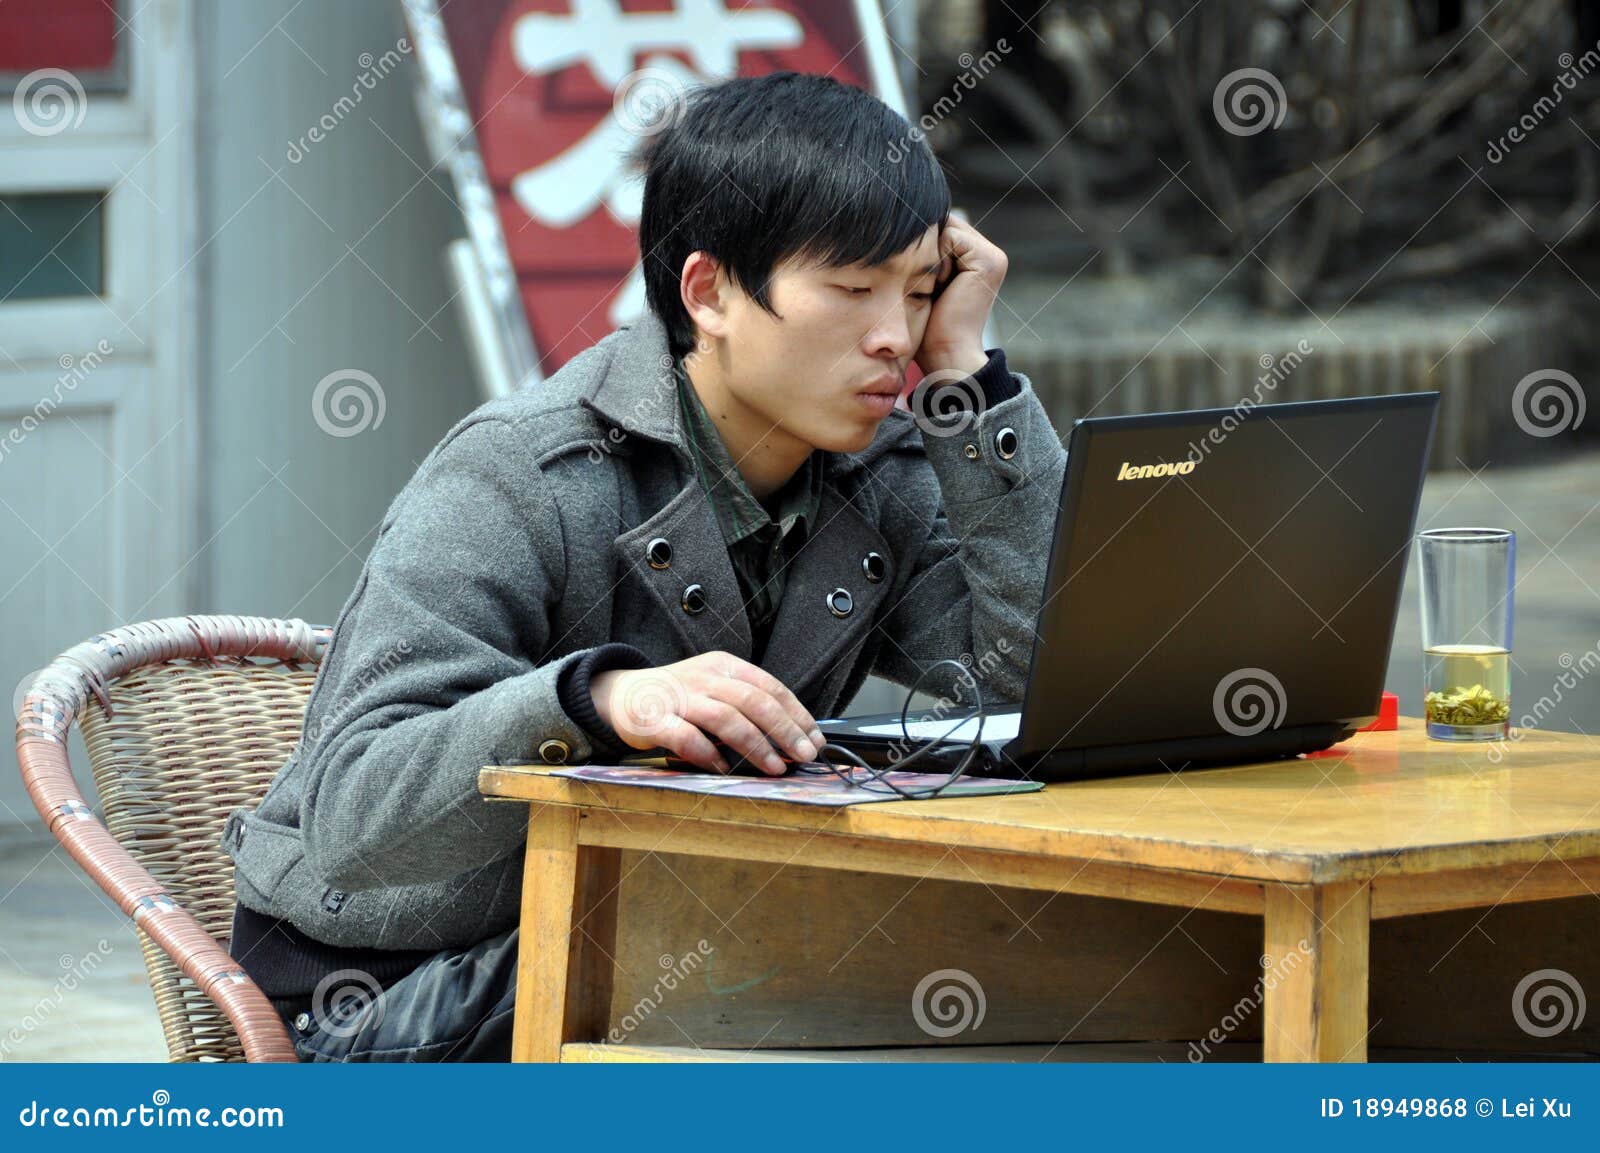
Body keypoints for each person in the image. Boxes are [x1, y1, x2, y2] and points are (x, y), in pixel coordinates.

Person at [221, 70, 1068, 1061]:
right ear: (707, 291)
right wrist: (594, 702)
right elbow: (353, 817)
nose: (894, 337)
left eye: (919, 293)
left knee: (1025, 981)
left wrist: (971, 377)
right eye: (851, 289)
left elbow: (1046, 681)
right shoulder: (516, 473)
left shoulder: (881, 470)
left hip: (681, 948)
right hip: (388, 997)